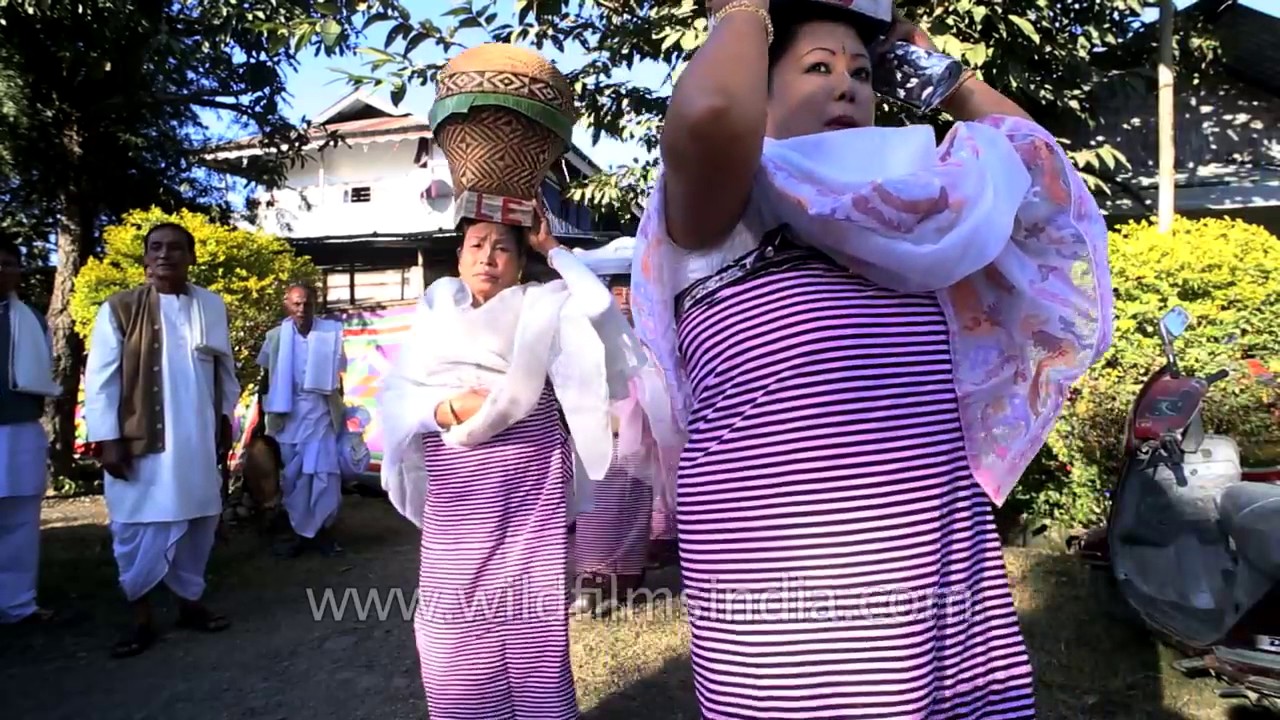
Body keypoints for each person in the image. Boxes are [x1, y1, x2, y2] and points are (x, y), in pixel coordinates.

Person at [625, 1, 1114, 718]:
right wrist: (743, 11)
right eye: (816, 68)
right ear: (756, 89)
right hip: (780, 574)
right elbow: (707, 118)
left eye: (861, 71)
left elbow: (1041, 175)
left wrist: (934, 68)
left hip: (937, 562)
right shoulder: (724, 206)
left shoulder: (929, 208)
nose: (847, 84)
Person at [84, 222, 241, 659]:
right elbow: (99, 382)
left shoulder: (210, 305)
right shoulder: (119, 308)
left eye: (175, 248)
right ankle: (141, 619)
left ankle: (191, 604)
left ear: (191, 257)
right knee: (135, 529)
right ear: (144, 257)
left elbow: (223, 369)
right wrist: (107, 439)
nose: (165, 255)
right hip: (140, 445)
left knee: (198, 523)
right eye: (156, 247)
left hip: (194, 441)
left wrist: (226, 417)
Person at [567, 242, 654, 615]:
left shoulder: (650, 332)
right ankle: (593, 581)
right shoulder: (590, 333)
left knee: (632, 510)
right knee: (595, 512)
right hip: (599, 435)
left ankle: (626, 582)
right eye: (615, 289)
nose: (621, 297)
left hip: (639, 437)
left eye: (627, 289)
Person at [256, 283, 347, 557]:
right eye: (296, 304)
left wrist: (339, 411)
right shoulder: (275, 338)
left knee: (324, 476)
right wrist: (265, 421)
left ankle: (321, 533)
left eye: (307, 303)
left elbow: (339, 377)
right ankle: (300, 534)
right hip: (288, 419)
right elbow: (266, 380)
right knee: (294, 480)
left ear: (316, 304)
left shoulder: (330, 333)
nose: (302, 309)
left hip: (320, 416)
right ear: (286, 304)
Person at [0, 239, 60, 625]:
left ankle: (17, 604)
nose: (4, 271)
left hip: (20, 428)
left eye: (10, 264)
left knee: (19, 520)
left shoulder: (31, 318)